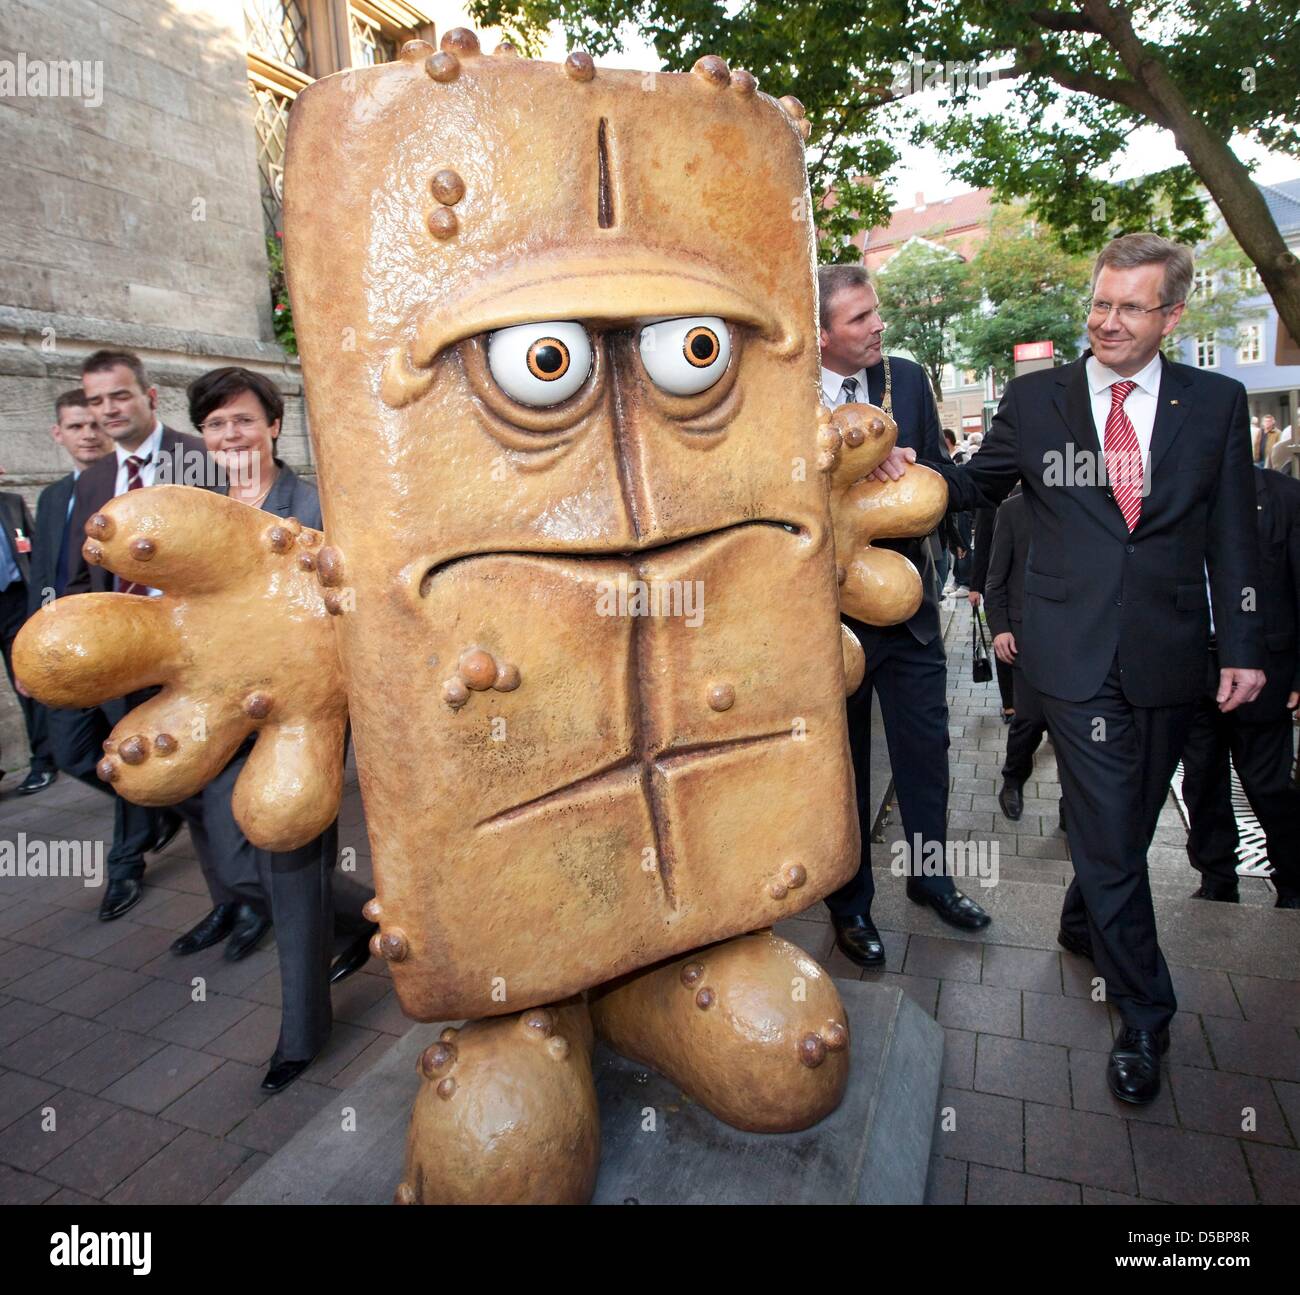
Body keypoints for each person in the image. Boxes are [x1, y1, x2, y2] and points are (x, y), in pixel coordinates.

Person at [870, 233, 1264, 1105]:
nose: (1108, 321)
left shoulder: (1215, 402)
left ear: (1172, 315)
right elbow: (976, 483)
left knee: (1124, 826)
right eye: (1100, 302)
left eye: (1131, 307)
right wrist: (911, 466)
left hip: (1169, 653)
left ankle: (1085, 919)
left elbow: (1233, 529)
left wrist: (1243, 644)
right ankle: (1145, 1012)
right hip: (1071, 657)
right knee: (1112, 831)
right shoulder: (1038, 398)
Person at [172, 366, 375, 1092]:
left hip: (299, 718)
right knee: (236, 871)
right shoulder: (198, 515)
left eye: (243, 420)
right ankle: (368, 918)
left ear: (273, 426)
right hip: (222, 710)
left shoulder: (314, 505)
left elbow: (353, 601)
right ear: (204, 436)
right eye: (216, 424)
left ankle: (301, 1036)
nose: (230, 434)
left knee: (290, 872)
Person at [817, 264, 991, 971]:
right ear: (820, 333)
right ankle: (850, 904)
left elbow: (952, 480)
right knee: (843, 767)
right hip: (827, 618)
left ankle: (931, 879)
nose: (876, 327)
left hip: (911, 609)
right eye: (859, 318)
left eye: (876, 312)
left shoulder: (908, 379)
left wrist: (919, 467)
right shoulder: (781, 391)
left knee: (926, 752)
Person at [59, 350, 206, 919]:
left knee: (186, 764)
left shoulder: (199, 457)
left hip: (192, 647)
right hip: (123, 653)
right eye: (96, 401)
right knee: (105, 752)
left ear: (149, 396)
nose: (108, 409)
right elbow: (82, 572)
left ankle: (129, 865)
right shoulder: (93, 479)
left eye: (119, 395)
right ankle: (159, 825)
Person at [1179, 466, 1300, 908]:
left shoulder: (1284, 497)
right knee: (1201, 780)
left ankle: (1293, 880)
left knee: (1268, 785)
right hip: (1191, 666)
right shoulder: (1175, 492)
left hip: (1265, 666)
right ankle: (1216, 878)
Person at [15, 391, 114, 796]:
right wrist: (29, 650)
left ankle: (142, 827)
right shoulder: (53, 497)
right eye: (76, 426)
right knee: (73, 753)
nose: (88, 434)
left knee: (127, 747)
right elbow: (43, 575)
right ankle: (158, 813)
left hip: (120, 642)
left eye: (96, 425)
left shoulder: (132, 487)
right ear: (59, 433)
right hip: (66, 646)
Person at [983, 487, 1053, 821]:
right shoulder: (1012, 510)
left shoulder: (1087, 504)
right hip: (1026, 637)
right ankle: (1013, 780)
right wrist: (1000, 628)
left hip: (1078, 639)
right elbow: (995, 579)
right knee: (1030, 720)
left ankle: (1073, 807)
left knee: (1075, 731)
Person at [0, 471, 55, 794]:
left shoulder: (12, 503)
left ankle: (43, 762)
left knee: (28, 683)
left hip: (17, 602)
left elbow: (36, 553)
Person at [968, 503, 1015, 723]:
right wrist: (975, 586)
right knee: (1003, 638)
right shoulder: (991, 503)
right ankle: (1009, 704)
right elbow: (982, 543)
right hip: (998, 583)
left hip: (1026, 583)